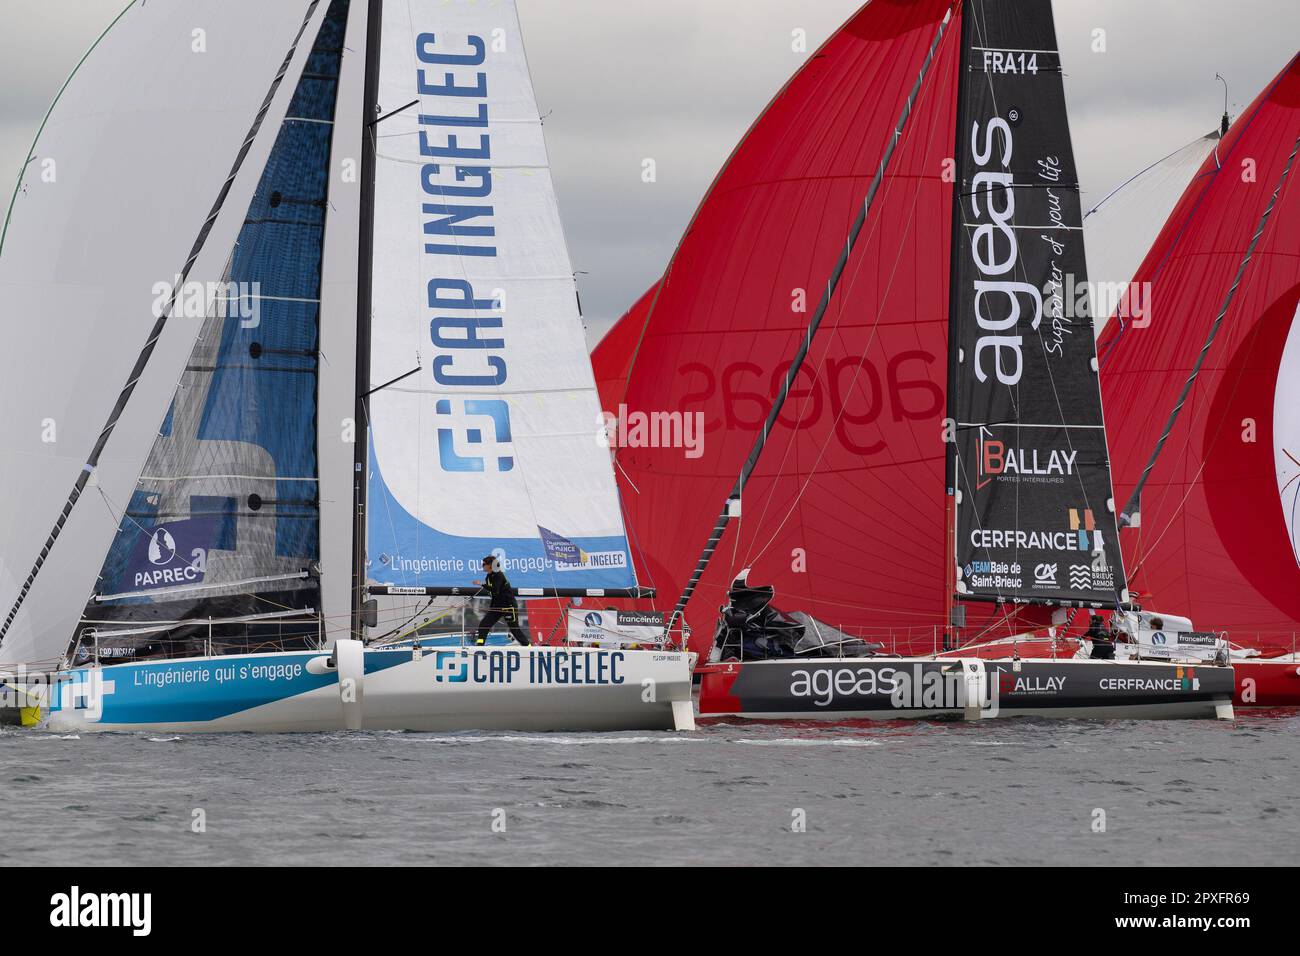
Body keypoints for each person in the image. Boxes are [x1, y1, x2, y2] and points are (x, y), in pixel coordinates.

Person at [472, 555, 529, 646]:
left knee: (514, 630)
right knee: (484, 625)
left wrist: (482, 584)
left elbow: (495, 590)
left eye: (484, 564)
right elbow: (494, 595)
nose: (482, 566)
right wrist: (491, 609)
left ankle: (528, 647)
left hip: (508, 606)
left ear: (490, 565)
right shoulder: (488, 576)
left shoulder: (498, 575)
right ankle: (479, 646)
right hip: (497, 606)